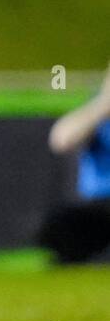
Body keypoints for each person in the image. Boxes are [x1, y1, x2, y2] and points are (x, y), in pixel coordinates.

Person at [39, 63, 110, 263]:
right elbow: (60, 140)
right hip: (98, 207)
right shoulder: (98, 111)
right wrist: (102, 107)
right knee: (61, 224)